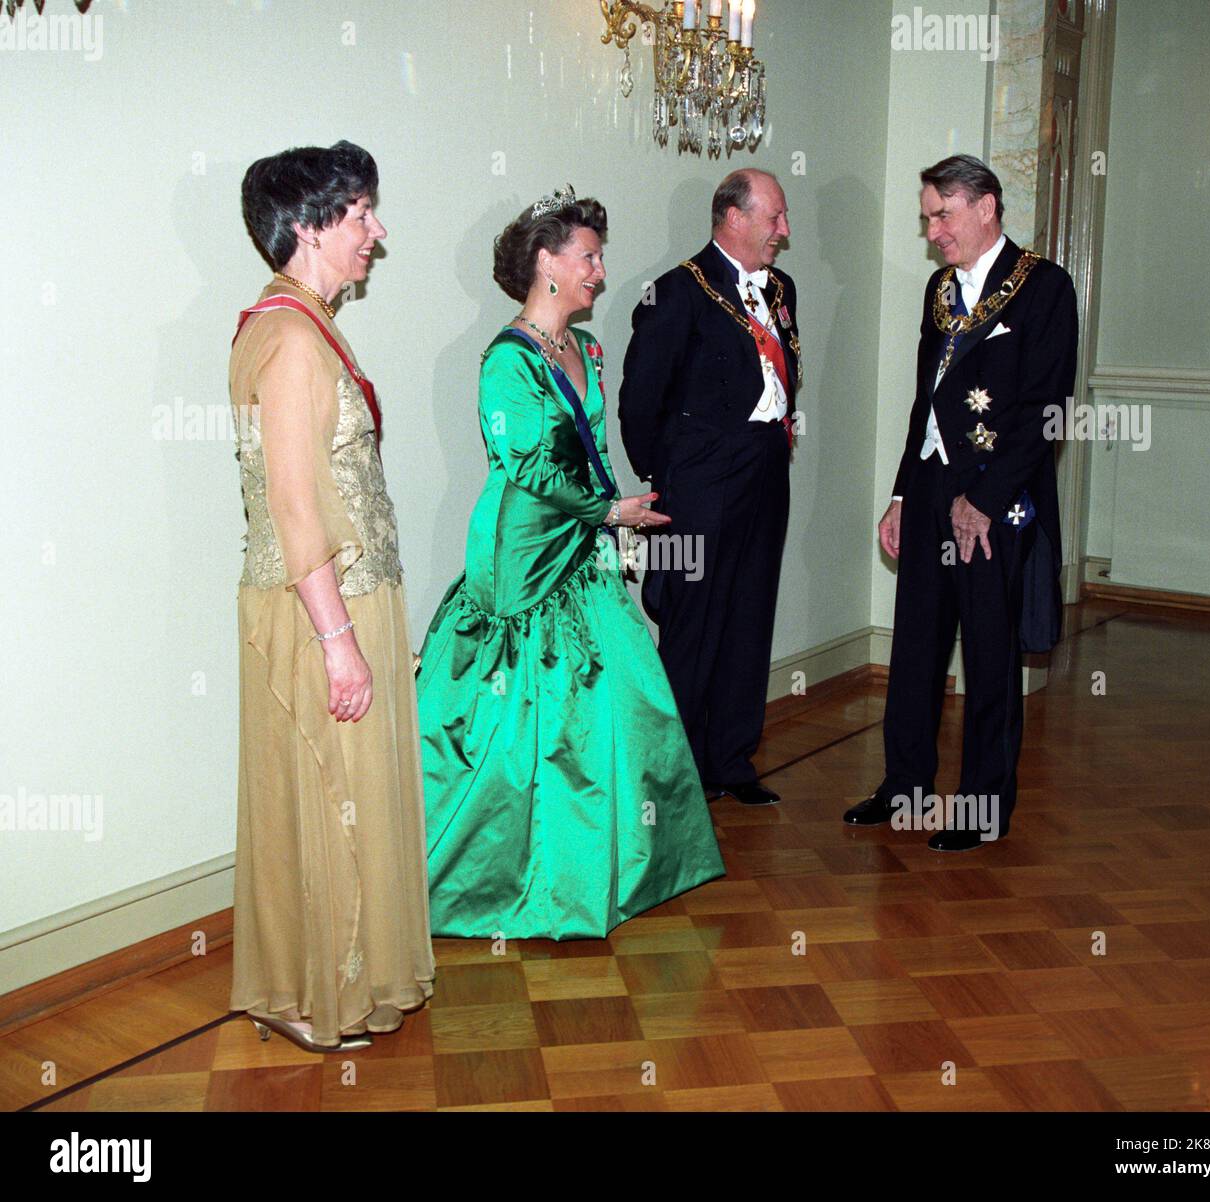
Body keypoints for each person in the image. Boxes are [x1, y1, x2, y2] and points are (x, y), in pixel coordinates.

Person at [414, 187, 725, 941]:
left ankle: (610, 870)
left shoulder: (586, 349)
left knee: (621, 695)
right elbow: (523, 461)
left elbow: (588, 450)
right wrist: (610, 512)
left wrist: (612, 509)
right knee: (518, 710)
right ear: (546, 262)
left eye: (598, 256)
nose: (600, 269)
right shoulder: (505, 359)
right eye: (588, 255)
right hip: (522, 548)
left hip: (581, 543)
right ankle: (490, 880)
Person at [228, 141, 435, 1051]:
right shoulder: (287, 337)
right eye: (361, 214)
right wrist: (339, 639)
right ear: (309, 226)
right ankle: (316, 994)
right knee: (325, 797)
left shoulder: (305, 325)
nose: (376, 232)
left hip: (349, 599)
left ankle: (319, 984)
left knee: (344, 797)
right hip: (323, 607)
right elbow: (295, 500)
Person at [844, 154, 1078, 851]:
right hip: (932, 487)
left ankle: (982, 807)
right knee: (916, 643)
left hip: (997, 499)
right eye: (927, 217)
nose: (933, 231)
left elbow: (1045, 409)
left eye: (942, 214)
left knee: (989, 653)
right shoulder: (940, 289)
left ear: (986, 207)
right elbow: (928, 400)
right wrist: (900, 494)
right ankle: (905, 786)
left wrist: (982, 498)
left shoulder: (1044, 288)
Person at [618, 169, 802, 807]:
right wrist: (665, 480)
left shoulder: (782, 290)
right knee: (692, 626)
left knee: (750, 614)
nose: (783, 230)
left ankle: (731, 760)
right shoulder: (675, 292)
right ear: (733, 217)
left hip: (765, 472)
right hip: (695, 483)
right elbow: (640, 401)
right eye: (773, 217)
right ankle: (678, 776)